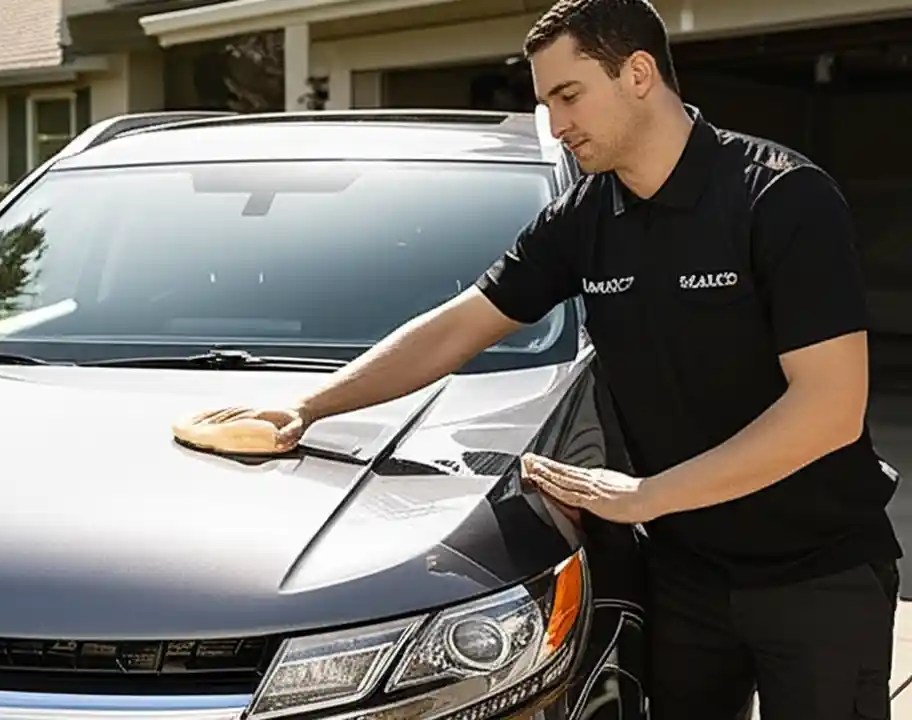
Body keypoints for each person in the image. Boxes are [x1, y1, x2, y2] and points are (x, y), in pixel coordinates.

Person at [184, 0, 903, 717]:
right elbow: (459, 327)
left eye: (568, 95)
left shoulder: (779, 196)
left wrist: (645, 497)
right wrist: (306, 407)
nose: (556, 125)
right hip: (687, 578)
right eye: (546, 103)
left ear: (639, 74)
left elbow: (829, 410)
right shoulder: (585, 217)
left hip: (818, 574)